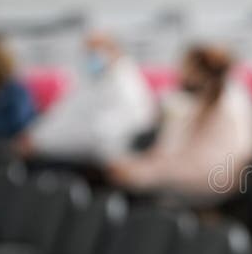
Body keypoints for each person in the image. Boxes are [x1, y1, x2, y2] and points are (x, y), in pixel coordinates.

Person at [107, 45, 252, 199]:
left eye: (184, 68)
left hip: (205, 181)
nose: (180, 74)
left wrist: (140, 171)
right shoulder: (233, 98)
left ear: (196, 72)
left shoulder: (212, 105)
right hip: (222, 178)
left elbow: (185, 161)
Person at [15, 32, 154, 163]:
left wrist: (43, 144)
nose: (89, 58)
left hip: (106, 157)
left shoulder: (126, 85)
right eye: (87, 53)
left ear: (114, 51)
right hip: (74, 150)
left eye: (94, 52)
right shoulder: (91, 81)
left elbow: (100, 134)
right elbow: (63, 115)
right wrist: (35, 136)